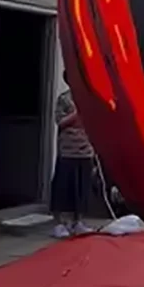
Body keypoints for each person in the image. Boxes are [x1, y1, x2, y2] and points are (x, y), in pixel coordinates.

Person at [51, 73, 95, 237]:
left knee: (82, 189)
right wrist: (76, 115)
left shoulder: (88, 98)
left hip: (86, 150)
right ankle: (59, 223)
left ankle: (78, 222)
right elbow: (60, 122)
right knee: (63, 187)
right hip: (68, 150)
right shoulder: (64, 99)